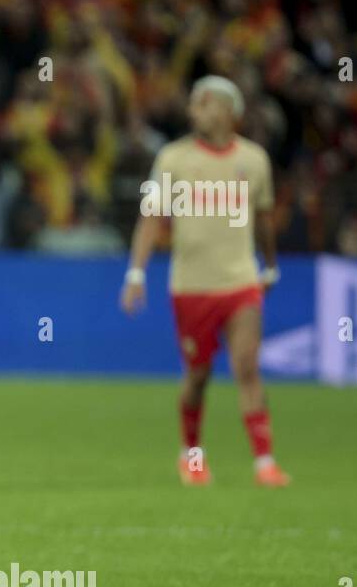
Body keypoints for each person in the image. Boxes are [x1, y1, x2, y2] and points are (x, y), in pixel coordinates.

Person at [121, 76, 290, 487]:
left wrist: (269, 266)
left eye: (204, 102)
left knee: (247, 366)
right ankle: (192, 458)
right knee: (197, 377)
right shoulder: (173, 159)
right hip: (191, 285)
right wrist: (136, 272)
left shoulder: (253, 160)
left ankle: (264, 461)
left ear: (229, 111)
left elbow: (264, 220)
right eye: (194, 102)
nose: (194, 109)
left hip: (240, 280)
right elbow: (151, 218)